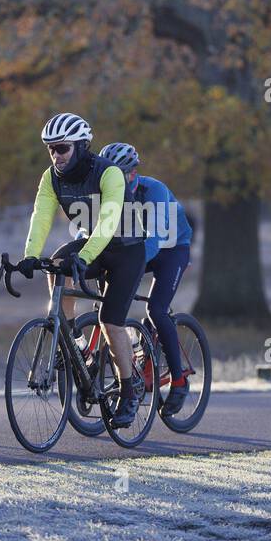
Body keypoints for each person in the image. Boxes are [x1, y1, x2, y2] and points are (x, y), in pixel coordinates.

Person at [16, 114, 148, 427]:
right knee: (57, 265)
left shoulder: (109, 173)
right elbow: (41, 217)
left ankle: (129, 392)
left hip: (126, 250)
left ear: (80, 145)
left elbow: (109, 221)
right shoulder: (51, 178)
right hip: (95, 246)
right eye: (51, 149)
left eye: (62, 148)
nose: (56, 155)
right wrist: (30, 255)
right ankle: (73, 341)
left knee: (110, 322)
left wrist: (86, 257)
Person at [98, 142, 195, 415]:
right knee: (108, 303)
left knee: (156, 310)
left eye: (118, 177)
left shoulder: (153, 191)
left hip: (171, 249)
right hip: (138, 249)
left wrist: (129, 270)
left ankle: (178, 381)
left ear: (131, 174)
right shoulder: (108, 193)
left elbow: (154, 239)